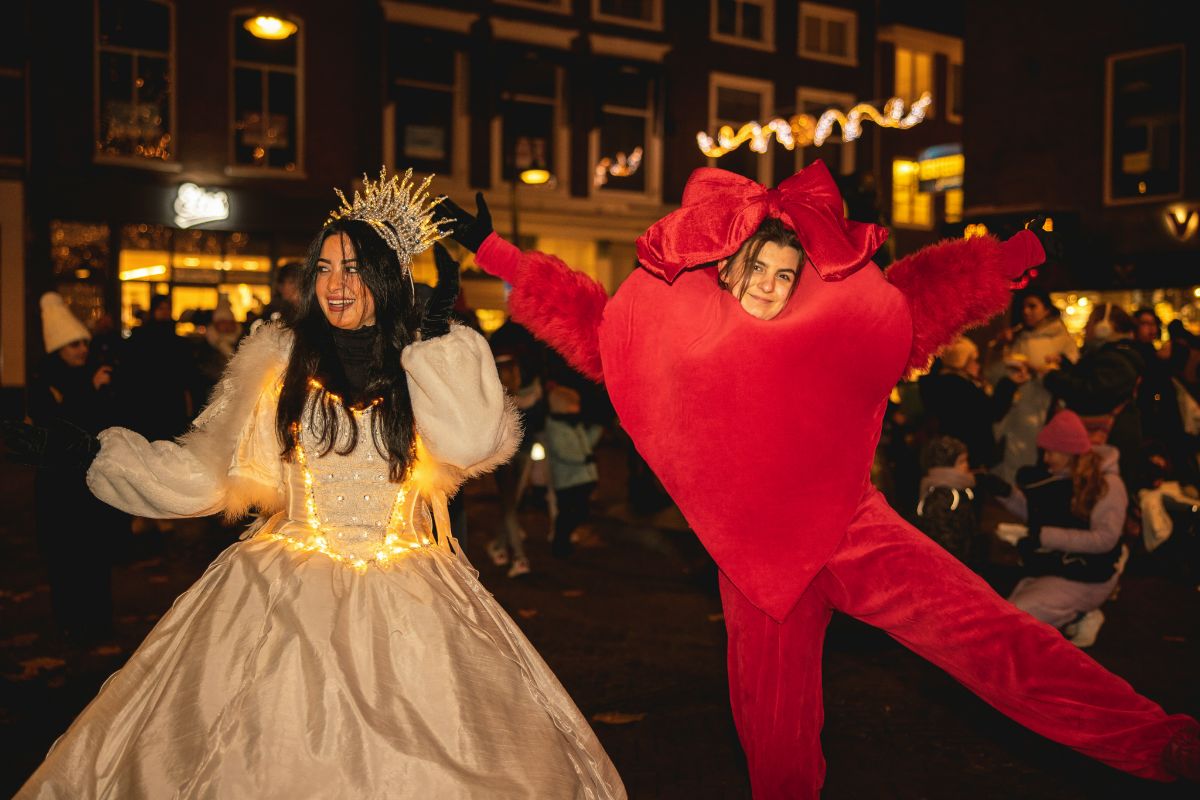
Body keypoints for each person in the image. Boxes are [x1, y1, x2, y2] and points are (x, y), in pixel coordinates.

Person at [437, 161, 1200, 795]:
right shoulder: (675, 335)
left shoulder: (828, 327)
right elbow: (596, 325)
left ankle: (1160, 742)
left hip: (853, 532)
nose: (770, 286)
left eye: (785, 272)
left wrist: (1006, 259)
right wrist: (499, 254)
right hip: (759, 573)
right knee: (776, 748)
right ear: (729, 268)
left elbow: (914, 306)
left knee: (994, 639)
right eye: (757, 269)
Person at [7, 169, 623, 799]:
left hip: (411, 599)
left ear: (385, 276)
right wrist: (90, 452)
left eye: (354, 268)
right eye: (324, 267)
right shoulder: (279, 369)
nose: (336, 284)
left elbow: (470, 442)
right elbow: (208, 471)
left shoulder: (420, 367)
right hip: (282, 593)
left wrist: (437, 339)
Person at [20, 293, 123, 645]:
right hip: (58, 486)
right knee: (64, 556)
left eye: (84, 343)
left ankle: (97, 621)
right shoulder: (45, 384)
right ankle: (71, 622)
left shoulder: (93, 376)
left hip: (90, 484)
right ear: (57, 349)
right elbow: (59, 429)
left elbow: (104, 427)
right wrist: (90, 392)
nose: (81, 349)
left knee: (94, 554)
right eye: (73, 345)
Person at [997, 411, 1127, 648]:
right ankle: (1074, 612)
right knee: (1007, 612)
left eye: (1050, 451)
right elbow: (1041, 518)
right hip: (1062, 566)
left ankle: (1081, 613)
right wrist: (1007, 495)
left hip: (1090, 575)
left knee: (1019, 617)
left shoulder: (1108, 486)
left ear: (1069, 451)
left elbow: (1105, 539)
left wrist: (1044, 537)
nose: (1045, 458)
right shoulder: (1063, 477)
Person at [1044, 302, 1146, 494]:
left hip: (1112, 437)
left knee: (1105, 494)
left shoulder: (1117, 358)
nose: (1086, 328)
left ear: (1105, 327)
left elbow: (1092, 392)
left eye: (1090, 322)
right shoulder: (1114, 355)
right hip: (1112, 436)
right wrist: (1066, 366)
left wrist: (1053, 378)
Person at [990, 289, 1079, 482]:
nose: (1026, 312)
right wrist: (1000, 348)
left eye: (1033, 306)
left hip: (1047, 408)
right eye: (1023, 307)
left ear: (1046, 310)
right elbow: (994, 373)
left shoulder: (1061, 339)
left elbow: (1073, 373)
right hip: (1020, 408)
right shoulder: (1019, 337)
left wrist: (1054, 365)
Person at [918, 335, 1007, 470]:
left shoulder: (940, 384)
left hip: (953, 455)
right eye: (974, 360)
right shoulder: (960, 386)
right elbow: (992, 411)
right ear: (961, 362)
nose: (978, 365)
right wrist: (1008, 384)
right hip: (968, 456)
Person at [543, 383, 603, 559]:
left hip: (583, 478)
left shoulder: (574, 425)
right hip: (568, 480)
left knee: (579, 511)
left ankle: (563, 542)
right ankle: (560, 545)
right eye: (574, 403)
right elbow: (563, 452)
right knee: (569, 513)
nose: (578, 407)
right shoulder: (555, 427)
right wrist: (584, 459)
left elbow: (587, 446)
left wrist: (597, 429)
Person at [913, 435, 983, 570]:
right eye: (962, 461)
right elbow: (941, 537)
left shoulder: (960, 490)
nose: (967, 465)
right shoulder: (942, 496)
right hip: (947, 564)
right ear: (946, 467)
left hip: (964, 559)